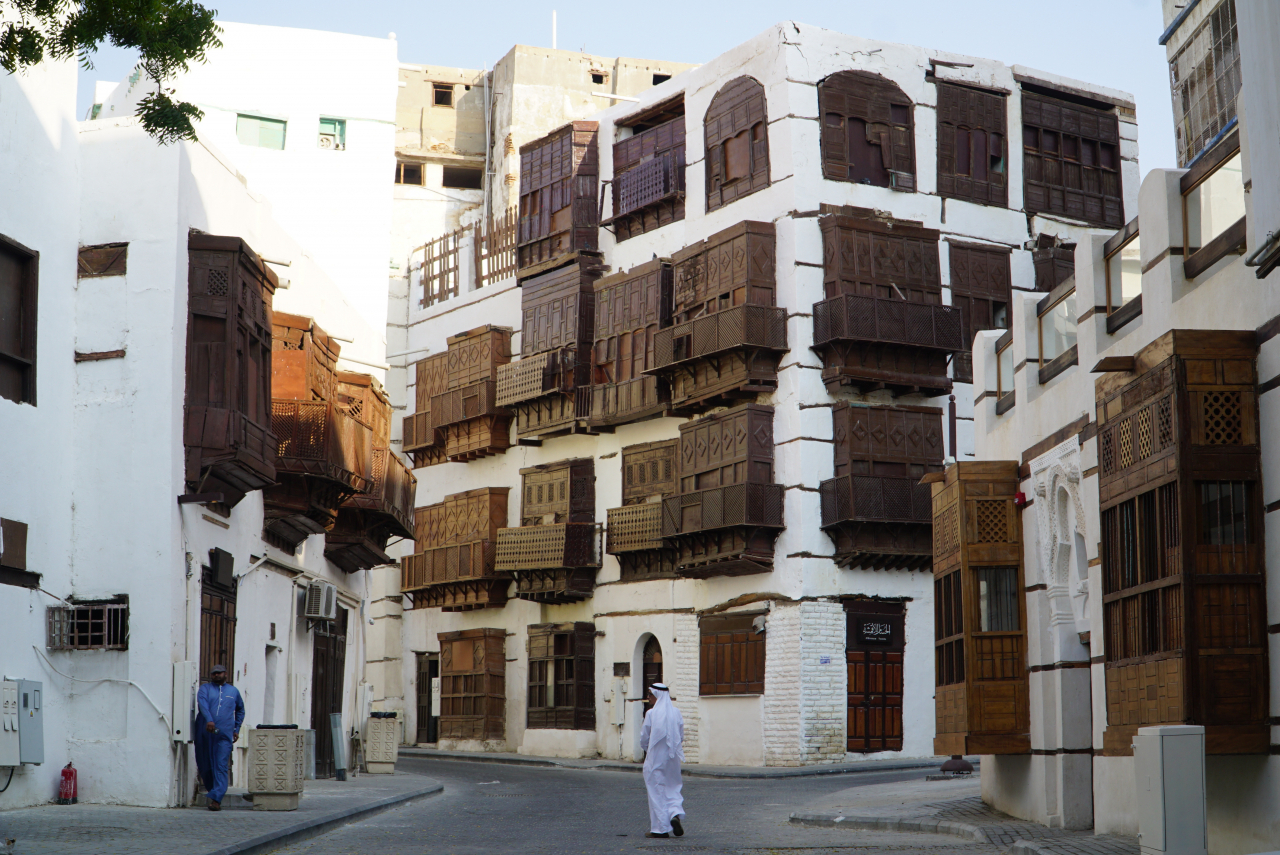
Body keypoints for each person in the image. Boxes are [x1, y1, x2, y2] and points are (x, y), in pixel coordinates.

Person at [194, 664, 244, 811]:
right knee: (205, 765)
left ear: (225, 674)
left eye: (219, 673)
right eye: (214, 673)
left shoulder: (233, 691)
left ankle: (216, 799)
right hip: (205, 732)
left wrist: (236, 729)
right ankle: (213, 791)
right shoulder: (205, 689)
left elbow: (240, 710)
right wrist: (209, 720)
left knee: (221, 764)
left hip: (224, 733)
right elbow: (202, 705)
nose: (216, 675)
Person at [638, 683, 685, 838]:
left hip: (655, 759)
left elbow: (644, 738)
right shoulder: (676, 713)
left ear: (657, 695)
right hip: (673, 759)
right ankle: (674, 814)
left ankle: (660, 829)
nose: (648, 697)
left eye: (650, 694)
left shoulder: (651, 714)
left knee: (656, 791)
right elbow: (681, 735)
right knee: (672, 787)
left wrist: (649, 749)